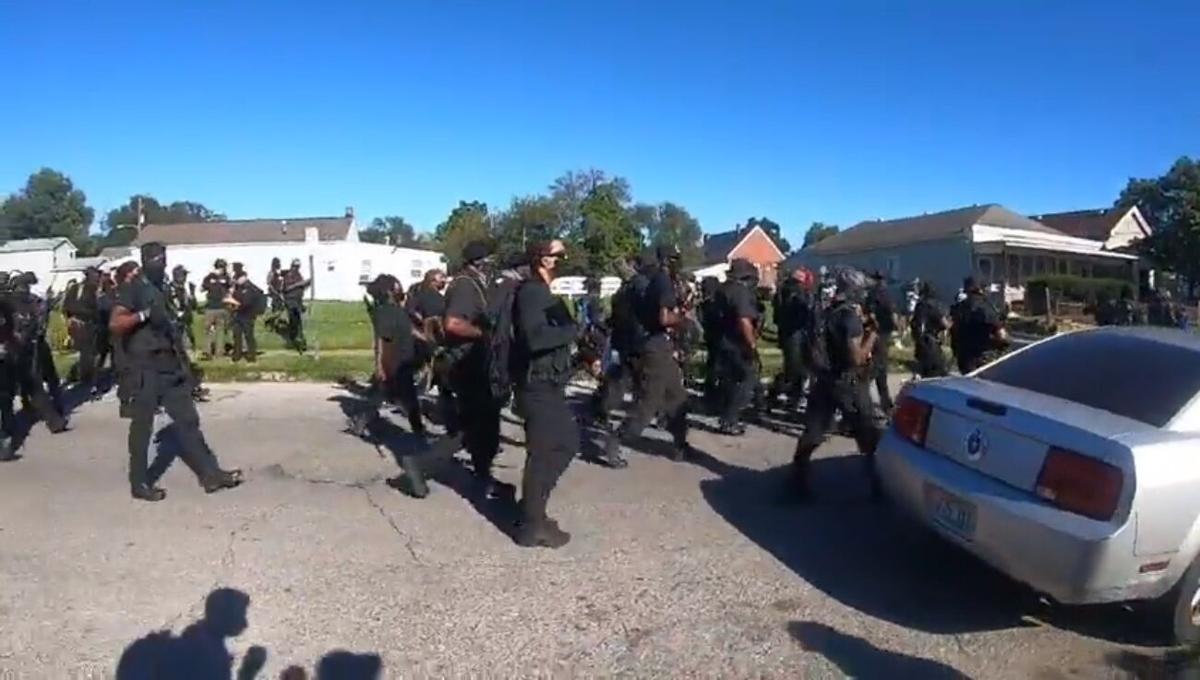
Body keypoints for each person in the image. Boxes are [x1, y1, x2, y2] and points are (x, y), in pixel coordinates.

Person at [109, 242, 243, 502]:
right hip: (143, 367)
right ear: (146, 261)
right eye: (156, 259)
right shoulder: (133, 288)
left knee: (188, 421)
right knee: (142, 428)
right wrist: (144, 315)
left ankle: (211, 475)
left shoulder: (163, 288)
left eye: (163, 258)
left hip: (169, 366)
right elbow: (116, 324)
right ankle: (139, 484)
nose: (161, 263)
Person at [792, 268, 883, 500]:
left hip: (824, 378)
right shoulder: (849, 316)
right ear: (855, 290)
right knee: (868, 433)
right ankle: (880, 486)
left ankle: (797, 479)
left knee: (814, 431)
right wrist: (872, 334)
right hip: (847, 382)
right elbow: (857, 357)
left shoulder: (828, 311)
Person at [512, 240, 579, 548]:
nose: (563, 261)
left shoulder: (541, 292)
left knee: (565, 443)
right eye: (558, 256)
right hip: (536, 385)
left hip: (547, 383)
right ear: (543, 261)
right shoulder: (531, 292)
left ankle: (534, 509)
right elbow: (535, 339)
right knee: (543, 453)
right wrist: (572, 331)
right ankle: (531, 524)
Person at [603, 244, 692, 463]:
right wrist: (683, 320)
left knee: (677, 397)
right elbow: (664, 318)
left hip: (645, 345)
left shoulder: (635, 284)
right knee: (648, 404)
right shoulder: (661, 280)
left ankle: (680, 443)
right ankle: (616, 441)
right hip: (654, 347)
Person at [363, 274, 424, 435]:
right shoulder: (384, 312)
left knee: (390, 394)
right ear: (389, 291)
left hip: (405, 357)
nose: (400, 289)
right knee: (401, 394)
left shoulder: (398, 309)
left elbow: (409, 328)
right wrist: (380, 365)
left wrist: (426, 338)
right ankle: (418, 429)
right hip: (394, 360)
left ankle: (361, 421)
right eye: (397, 286)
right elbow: (381, 340)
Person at [714, 259, 760, 435]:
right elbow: (744, 320)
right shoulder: (740, 292)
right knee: (746, 380)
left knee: (729, 381)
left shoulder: (722, 289)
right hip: (737, 344)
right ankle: (730, 420)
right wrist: (752, 344)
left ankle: (725, 416)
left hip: (722, 341)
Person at [770, 268, 813, 413]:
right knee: (798, 369)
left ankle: (779, 393)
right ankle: (791, 398)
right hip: (797, 333)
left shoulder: (781, 291)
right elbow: (805, 312)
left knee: (791, 367)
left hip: (786, 332)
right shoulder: (797, 292)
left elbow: (776, 314)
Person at [950, 277, 1008, 374]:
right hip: (984, 357)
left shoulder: (959, 308)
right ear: (980, 289)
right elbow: (1001, 336)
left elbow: (953, 331)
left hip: (965, 359)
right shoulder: (987, 307)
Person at [63, 267, 102, 393]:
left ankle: (84, 379)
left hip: (80, 324)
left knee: (85, 354)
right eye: (96, 276)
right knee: (89, 354)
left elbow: (66, 307)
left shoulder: (78, 288)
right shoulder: (90, 289)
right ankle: (89, 381)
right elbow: (68, 306)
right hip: (86, 325)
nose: (98, 278)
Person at [864, 272, 897, 414]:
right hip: (881, 333)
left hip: (876, 332)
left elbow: (869, 313)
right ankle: (867, 398)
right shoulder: (885, 294)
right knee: (878, 367)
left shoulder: (873, 294)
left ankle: (885, 403)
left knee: (879, 367)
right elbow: (892, 313)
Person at [910, 282, 950, 378]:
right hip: (931, 344)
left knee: (924, 373)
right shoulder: (933, 306)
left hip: (920, 344)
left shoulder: (919, 306)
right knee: (939, 373)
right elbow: (945, 324)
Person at [230, 269, 265, 362]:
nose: (236, 281)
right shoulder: (237, 288)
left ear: (243, 278)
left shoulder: (252, 288)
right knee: (237, 335)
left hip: (248, 315)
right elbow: (234, 298)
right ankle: (237, 355)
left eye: (238, 279)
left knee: (248, 336)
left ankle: (251, 355)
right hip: (238, 315)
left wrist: (257, 311)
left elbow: (252, 299)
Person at [200, 259, 231, 360]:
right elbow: (230, 290)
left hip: (210, 307)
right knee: (220, 331)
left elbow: (201, 289)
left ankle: (207, 351)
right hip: (222, 307)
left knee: (208, 331)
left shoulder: (209, 277)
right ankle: (219, 353)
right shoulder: (226, 278)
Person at [281, 259, 311, 352]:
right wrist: (300, 284)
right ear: (292, 266)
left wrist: (306, 284)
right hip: (291, 302)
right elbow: (287, 288)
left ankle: (300, 343)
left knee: (298, 323)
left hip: (298, 301)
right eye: (295, 266)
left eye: (298, 266)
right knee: (295, 323)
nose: (296, 268)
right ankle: (295, 342)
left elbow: (300, 287)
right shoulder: (289, 276)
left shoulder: (298, 275)